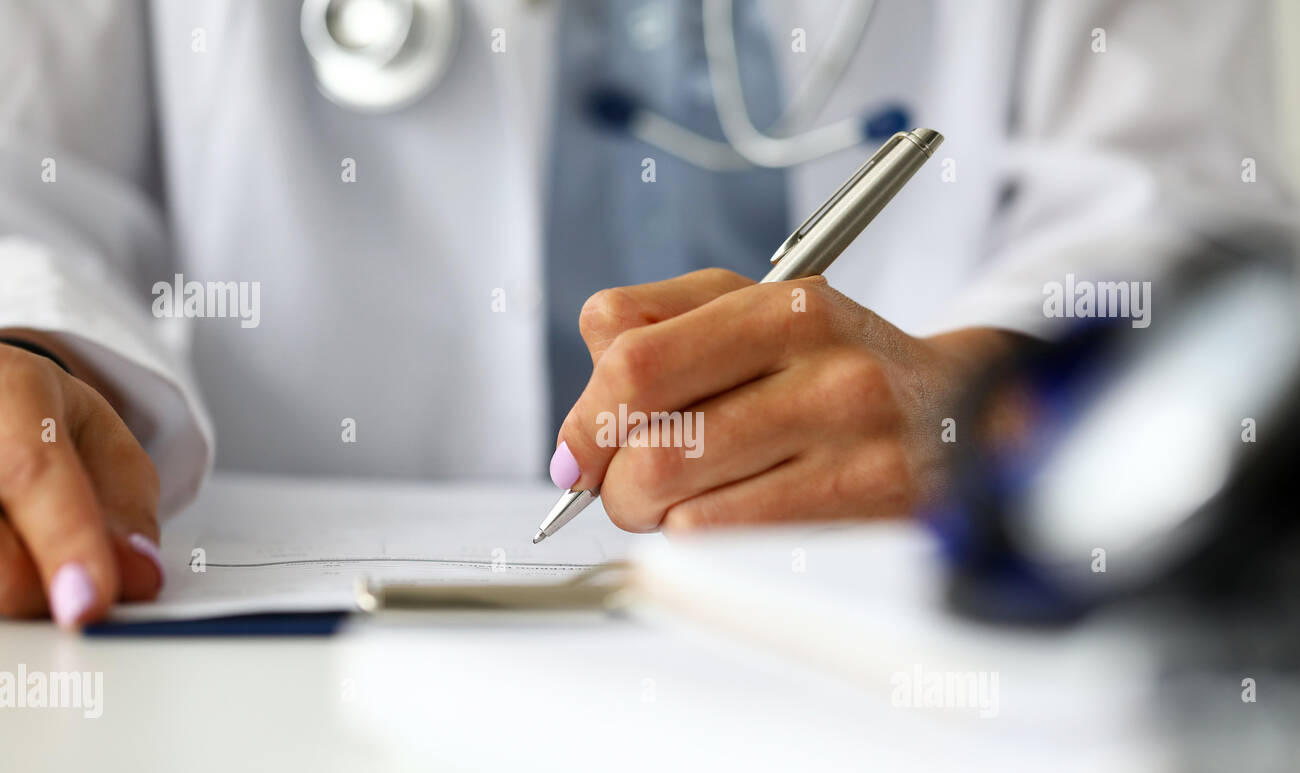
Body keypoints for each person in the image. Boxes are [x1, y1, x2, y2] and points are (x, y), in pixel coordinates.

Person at [0, 0, 1292, 627]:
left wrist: (988, 411)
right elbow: (24, 171)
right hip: (251, 680)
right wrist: (25, 349)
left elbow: (1186, 211)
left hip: (879, 689)